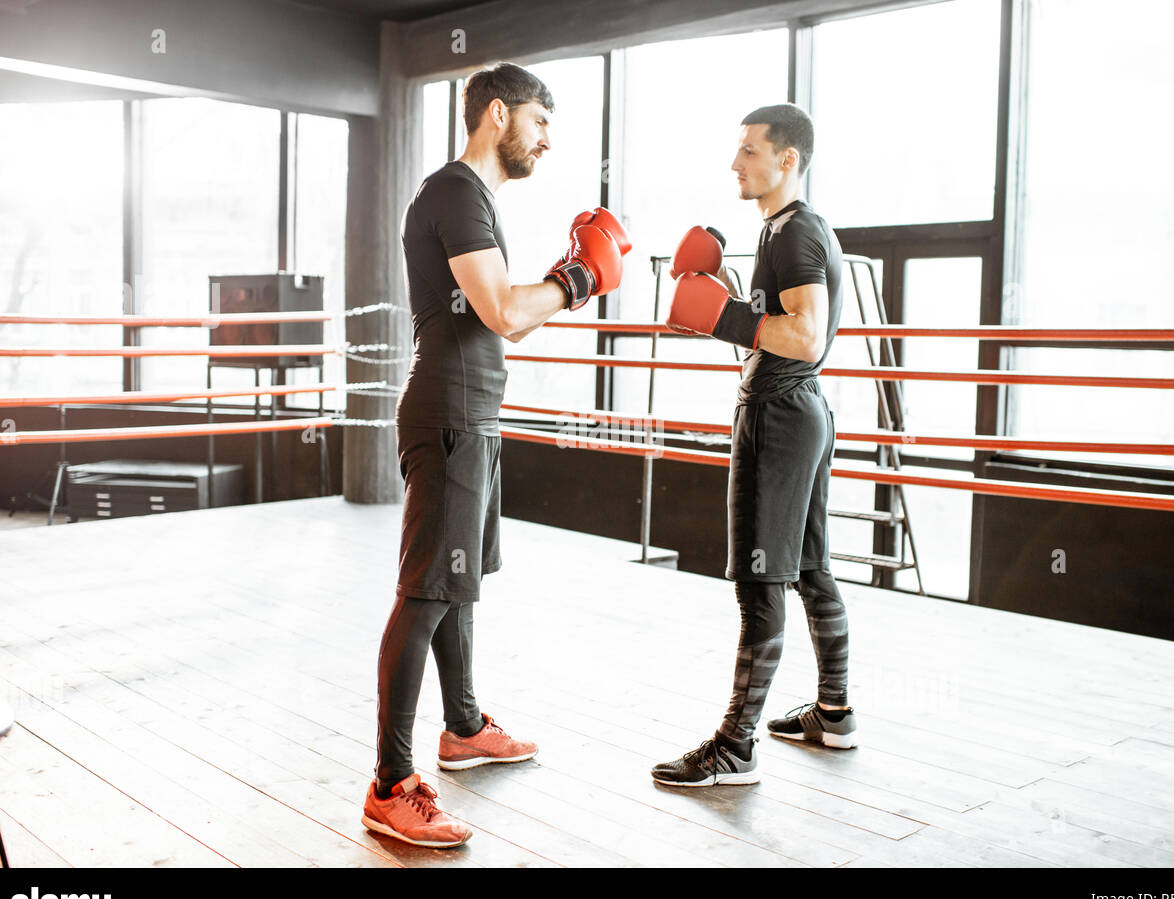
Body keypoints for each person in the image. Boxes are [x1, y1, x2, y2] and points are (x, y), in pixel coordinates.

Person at [362, 62, 631, 845]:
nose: (547, 141)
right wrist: (578, 277)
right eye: (541, 123)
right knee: (425, 591)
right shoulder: (453, 191)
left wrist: (566, 280)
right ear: (498, 115)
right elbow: (505, 311)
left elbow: (500, 315)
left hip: (472, 412)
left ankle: (466, 725)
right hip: (448, 410)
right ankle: (390, 782)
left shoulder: (472, 199)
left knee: (457, 581)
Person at [651, 103, 853, 787]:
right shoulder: (788, 232)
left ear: (786, 158)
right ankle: (834, 712)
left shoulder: (795, 234)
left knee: (760, 579)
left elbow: (806, 337)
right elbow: (777, 329)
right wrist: (727, 311)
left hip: (779, 417)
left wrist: (725, 313)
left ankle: (734, 748)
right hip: (802, 409)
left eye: (748, 150)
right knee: (811, 567)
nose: (735, 163)